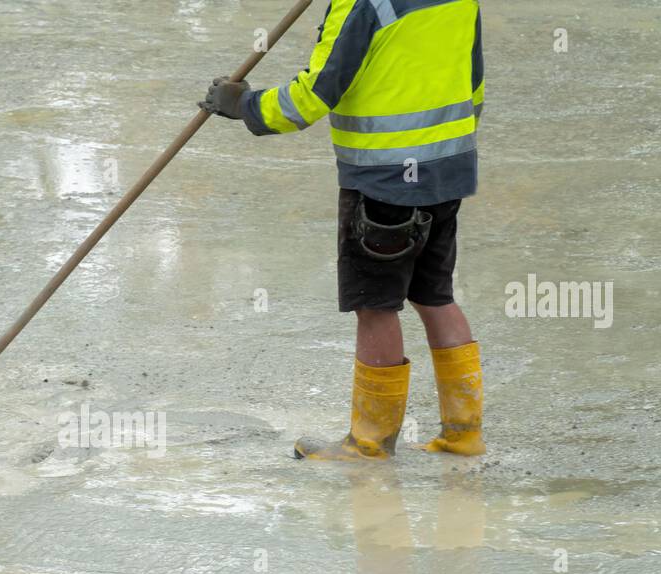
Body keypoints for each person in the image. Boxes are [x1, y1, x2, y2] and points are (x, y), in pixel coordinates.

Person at [201, 0, 486, 460]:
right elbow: (474, 84)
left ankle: (369, 443)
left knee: (375, 305)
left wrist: (245, 106)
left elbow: (311, 97)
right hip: (447, 166)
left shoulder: (363, 3)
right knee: (435, 295)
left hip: (384, 177)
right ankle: (464, 434)